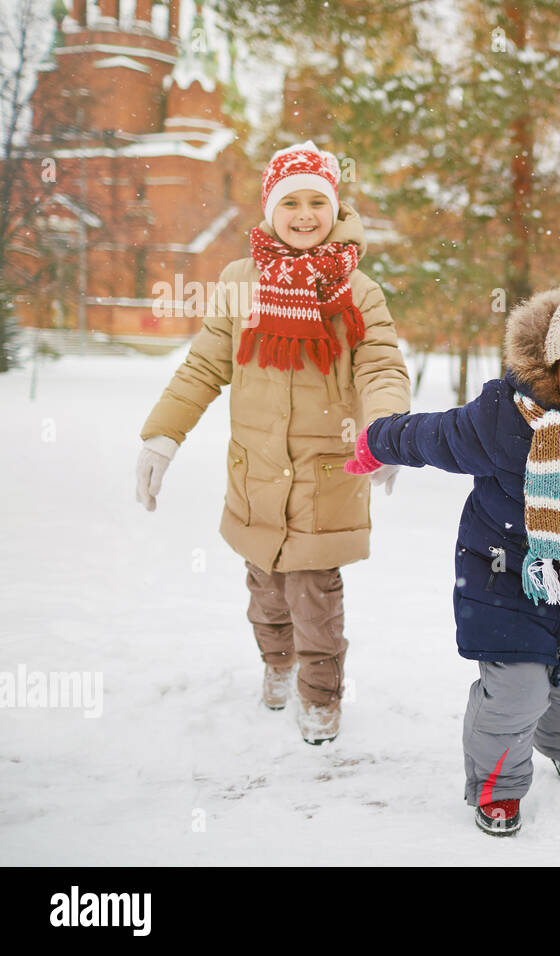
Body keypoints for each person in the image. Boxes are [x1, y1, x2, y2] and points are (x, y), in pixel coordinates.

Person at [345, 267, 560, 836]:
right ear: (555, 363)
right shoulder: (504, 418)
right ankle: (499, 785)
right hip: (503, 580)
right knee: (515, 693)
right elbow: (435, 435)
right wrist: (379, 441)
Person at [136, 141, 410, 745]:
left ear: (335, 210)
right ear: (270, 209)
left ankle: (320, 698)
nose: (305, 213)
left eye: (318, 201)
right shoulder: (240, 282)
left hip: (327, 477)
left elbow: (382, 368)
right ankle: (276, 664)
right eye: (292, 201)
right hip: (255, 475)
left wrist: (385, 431)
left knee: (316, 600)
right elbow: (204, 366)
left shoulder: (356, 290)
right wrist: (163, 434)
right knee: (264, 593)